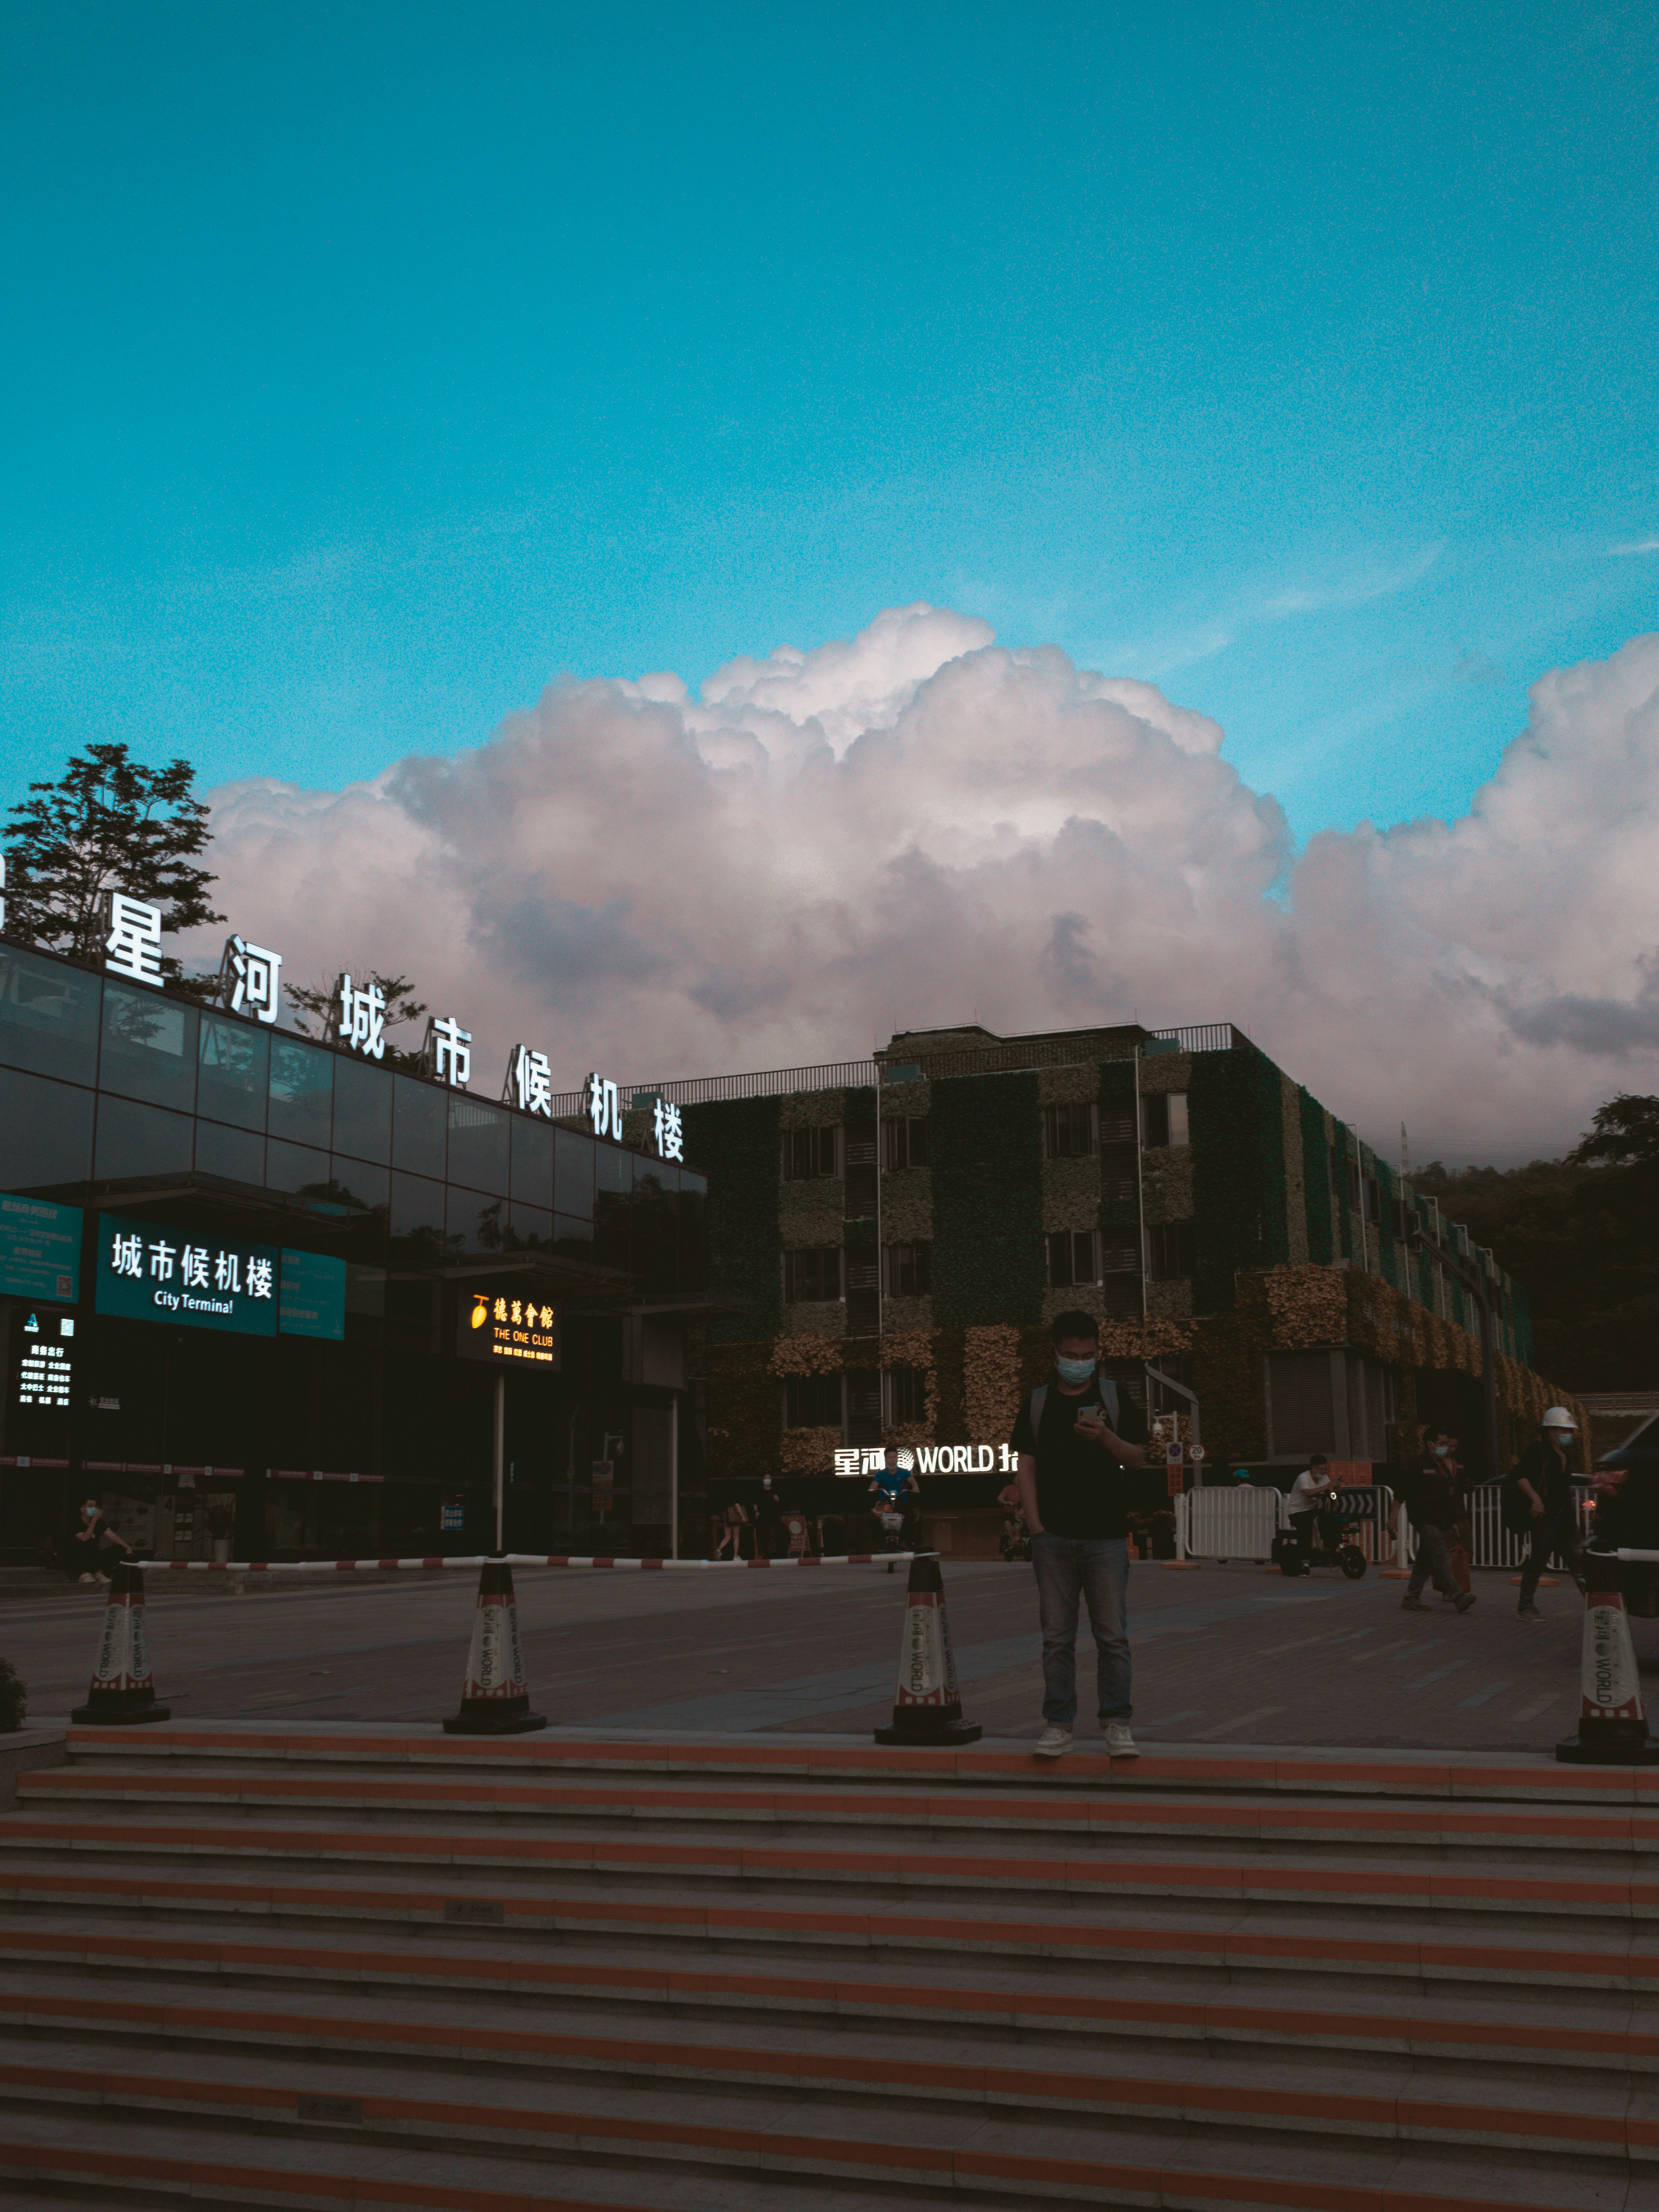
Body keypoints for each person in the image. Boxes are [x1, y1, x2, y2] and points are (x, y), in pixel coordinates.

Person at [1010, 1310, 1148, 1759]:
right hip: (1052, 1536)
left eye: (1087, 1355)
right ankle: (1058, 1725)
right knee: (1057, 1638)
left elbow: (1139, 1458)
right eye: (1071, 1355)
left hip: (1105, 1535)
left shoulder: (1115, 1396)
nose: (1079, 1362)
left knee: (1113, 1637)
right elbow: (1025, 1466)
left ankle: (1117, 1724)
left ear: (1098, 1354)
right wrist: (1036, 1526)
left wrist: (1104, 1436)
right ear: (1055, 1353)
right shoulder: (1036, 1403)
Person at [1509, 1407, 1587, 1622]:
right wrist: (1536, 1499)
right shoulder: (1538, 1450)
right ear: (1551, 1430)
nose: (1568, 1435)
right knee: (1538, 1562)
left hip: (1565, 1519)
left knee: (1580, 1562)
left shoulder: (1565, 1456)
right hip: (1547, 1519)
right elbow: (1519, 1475)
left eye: (1570, 1431)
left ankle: (1596, 1607)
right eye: (1563, 1430)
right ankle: (1525, 1607)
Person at [1401, 1428, 1476, 1615]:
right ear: (1430, 1444)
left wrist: (1451, 1522)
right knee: (1442, 1556)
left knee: (1425, 1560)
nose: (1447, 1448)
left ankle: (1412, 1597)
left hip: (1437, 1518)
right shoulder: (1418, 1464)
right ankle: (1457, 1596)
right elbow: (1401, 1491)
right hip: (1423, 1518)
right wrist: (1393, 1518)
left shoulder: (1440, 1465)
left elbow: (1444, 1497)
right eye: (1443, 1444)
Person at [61, 1496, 131, 1585]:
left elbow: (112, 1536)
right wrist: (94, 1520)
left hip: (93, 1555)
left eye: (95, 1506)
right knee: (86, 1545)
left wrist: (127, 1547)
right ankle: (84, 1574)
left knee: (121, 1549)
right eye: (90, 1506)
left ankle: (99, 1573)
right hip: (76, 1557)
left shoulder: (99, 1522)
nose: (94, 1509)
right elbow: (85, 1538)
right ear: (82, 1510)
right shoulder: (75, 1522)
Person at [1286, 1454, 1335, 1564]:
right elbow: (1309, 1493)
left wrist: (1335, 1492)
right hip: (1297, 1511)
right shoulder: (1303, 1478)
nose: (1324, 1472)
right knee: (1306, 1531)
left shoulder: (1325, 1479)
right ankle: (1304, 1561)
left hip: (1312, 1510)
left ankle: (1326, 1550)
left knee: (1328, 1520)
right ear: (1314, 1468)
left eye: (1326, 1469)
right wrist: (1327, 1487)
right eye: (1322, 1469)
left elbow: (1333, 1496)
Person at [867, 1448, 920, 1547]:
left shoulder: (905, 1472)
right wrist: (873, 1489)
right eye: (890, 1458)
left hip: (901, 1503)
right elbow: (874, 1485)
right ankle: (880, 1541)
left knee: (913, 1517)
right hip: (885, 1504)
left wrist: (915, 1486)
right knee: (872, 1517)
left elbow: (913, 1481)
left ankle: (904, 1542)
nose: (892, 1460)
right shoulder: (880, 1474)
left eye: (894, 1457)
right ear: (886, 1459)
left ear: (897, 1459)